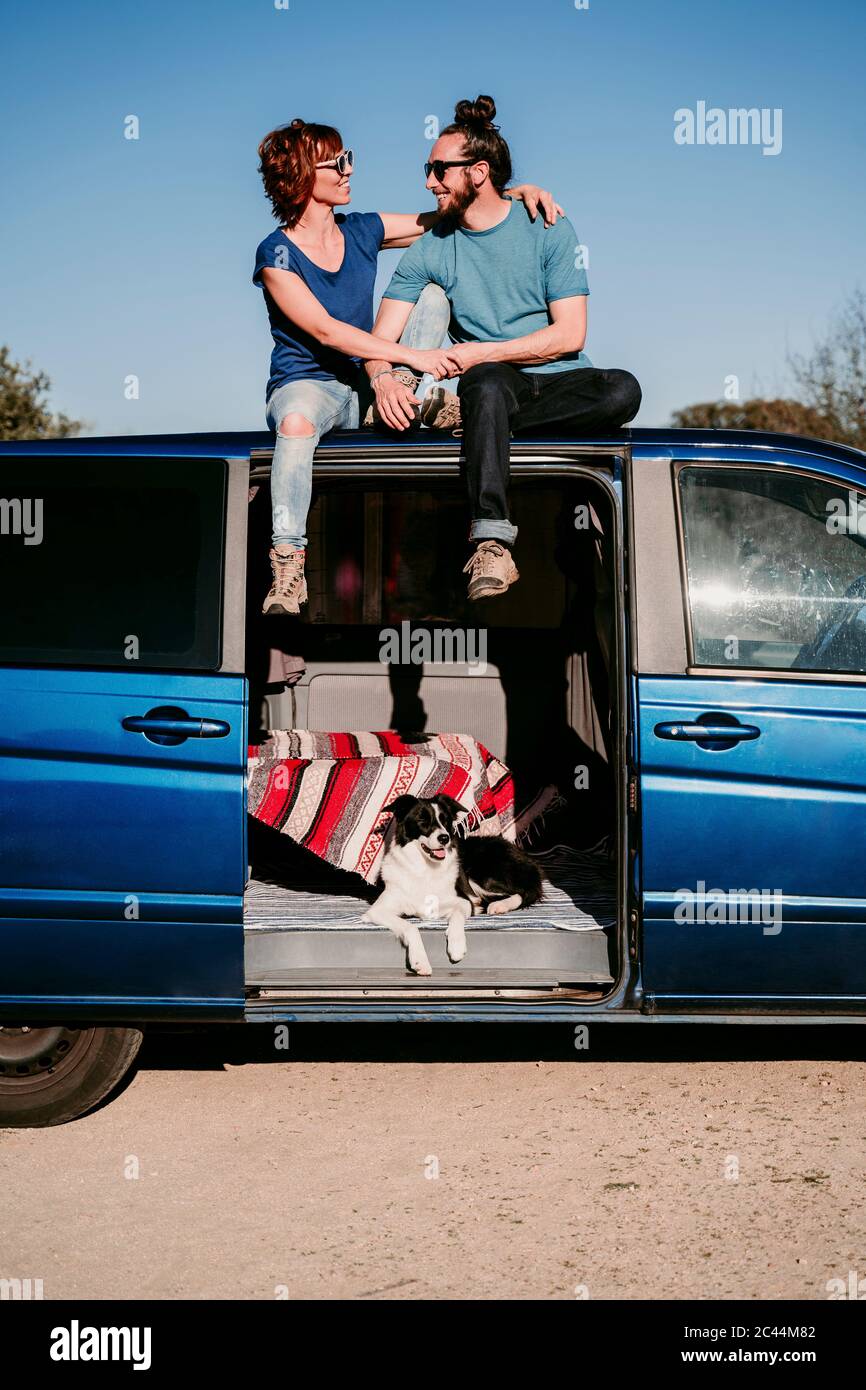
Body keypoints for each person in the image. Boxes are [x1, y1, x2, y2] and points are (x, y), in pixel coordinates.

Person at [253, 118, 561, 614]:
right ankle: (289, 563)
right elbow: (328, 331)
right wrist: (414, 356)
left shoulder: (361, 229)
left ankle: (404, 397)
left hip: (367, 382)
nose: (350, 170)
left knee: (432, 293)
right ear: (304, 174)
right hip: (309, 386)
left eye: (349, 159)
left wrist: (512, 194)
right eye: (339, 162)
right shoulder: (277, 255)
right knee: (294, 424)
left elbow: (447, 214)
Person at [363, 95, 642, 601]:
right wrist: (382, 378)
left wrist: (479, 352)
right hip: (493, 384)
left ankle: (476, 421)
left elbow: (570, 336)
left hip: (560, 381)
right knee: (487, 385)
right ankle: (491, 541)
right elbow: (378, 343)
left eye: (439, 170)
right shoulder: (430, 248)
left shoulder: (548, 226)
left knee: (624, 390)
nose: (429, 182)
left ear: (478, 172)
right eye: (427, 169)